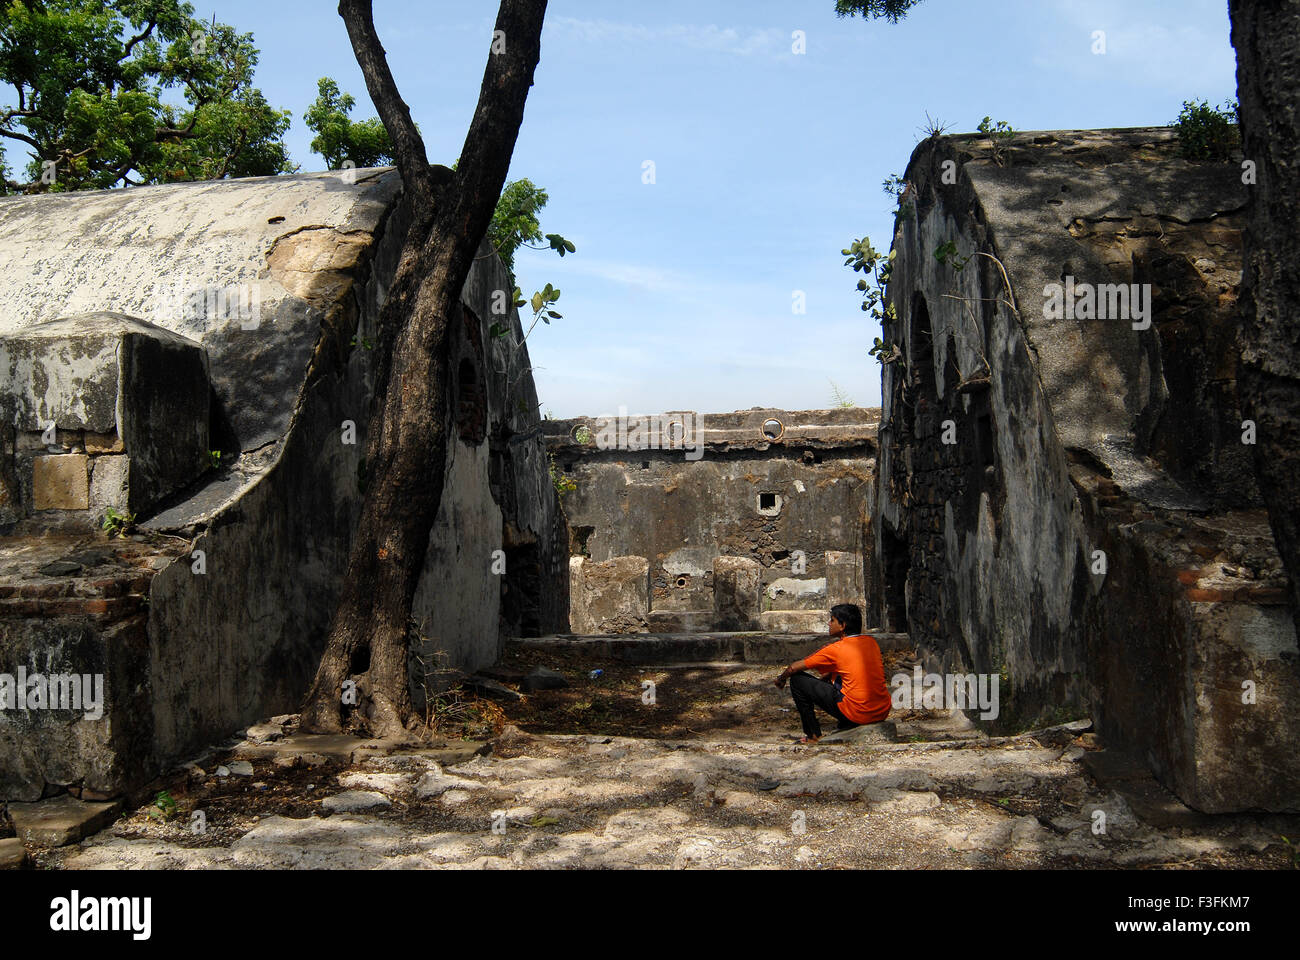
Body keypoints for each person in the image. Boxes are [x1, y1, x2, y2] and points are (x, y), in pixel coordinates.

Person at [773, 603, 890, 744]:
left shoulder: (836, 649)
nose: (829, 624)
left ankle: (813, 735)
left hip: (858, 713)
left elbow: (793, 668)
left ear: (842, 626)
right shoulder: (872, 643)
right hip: (881, 711)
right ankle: (845, 724)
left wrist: (781, 678)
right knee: (832, 680)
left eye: (832, 620)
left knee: (797, 680)